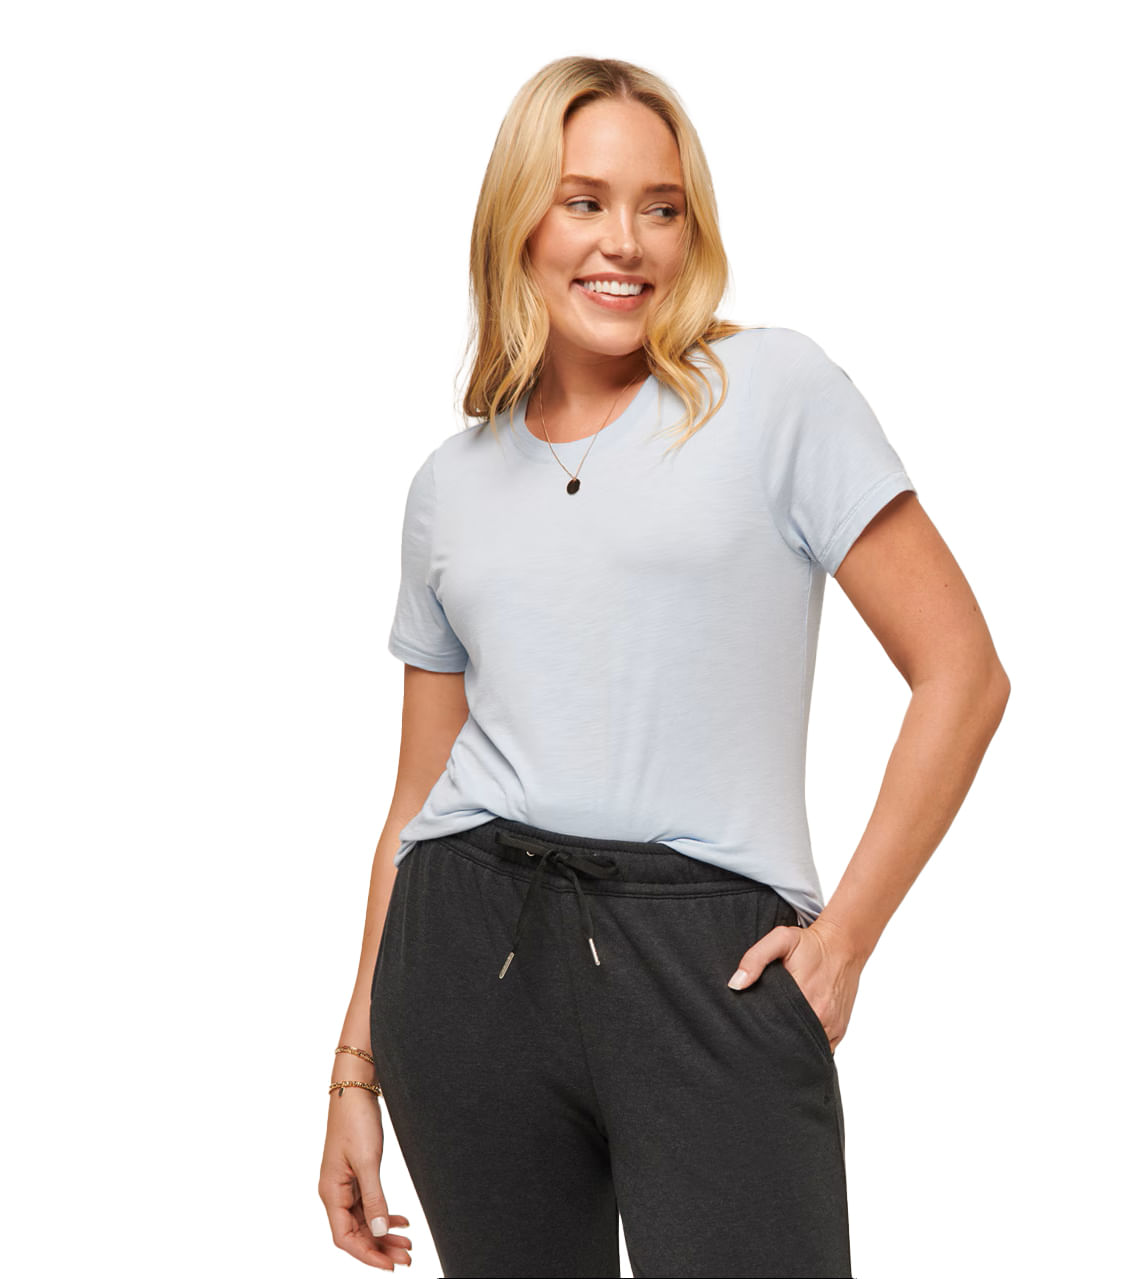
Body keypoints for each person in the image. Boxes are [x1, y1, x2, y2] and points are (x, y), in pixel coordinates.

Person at [318, 55, 1010, 1278]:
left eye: (661, 207)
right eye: (583, 201)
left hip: (711, 962)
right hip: (466, 953)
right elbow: (415, 795)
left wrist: (843, 939)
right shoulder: (449, 485)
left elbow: (962, 670)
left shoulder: (775, 393)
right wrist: (352, 1070)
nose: (624, 243)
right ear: (518, 222)